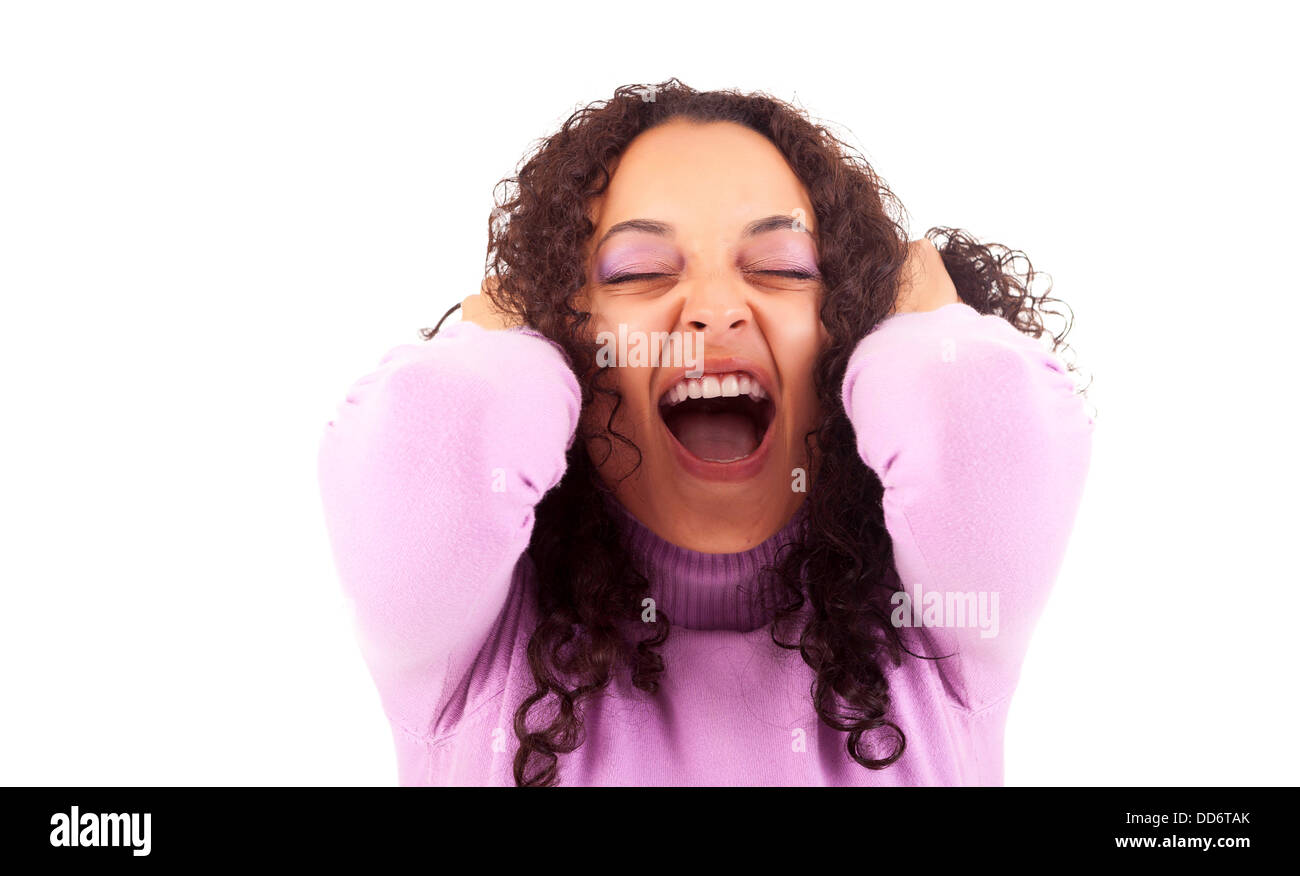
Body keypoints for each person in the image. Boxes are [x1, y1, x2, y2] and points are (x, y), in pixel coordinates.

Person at [316, 79, 1095, 786]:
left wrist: (926, 320)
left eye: (786, 268)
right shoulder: (462, 644)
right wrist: (499, 340)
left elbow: (983, 412)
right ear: (559, 346)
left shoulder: (936, 631)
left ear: (855, 336)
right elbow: (433, 434)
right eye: (635, 273)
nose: (715, 308)